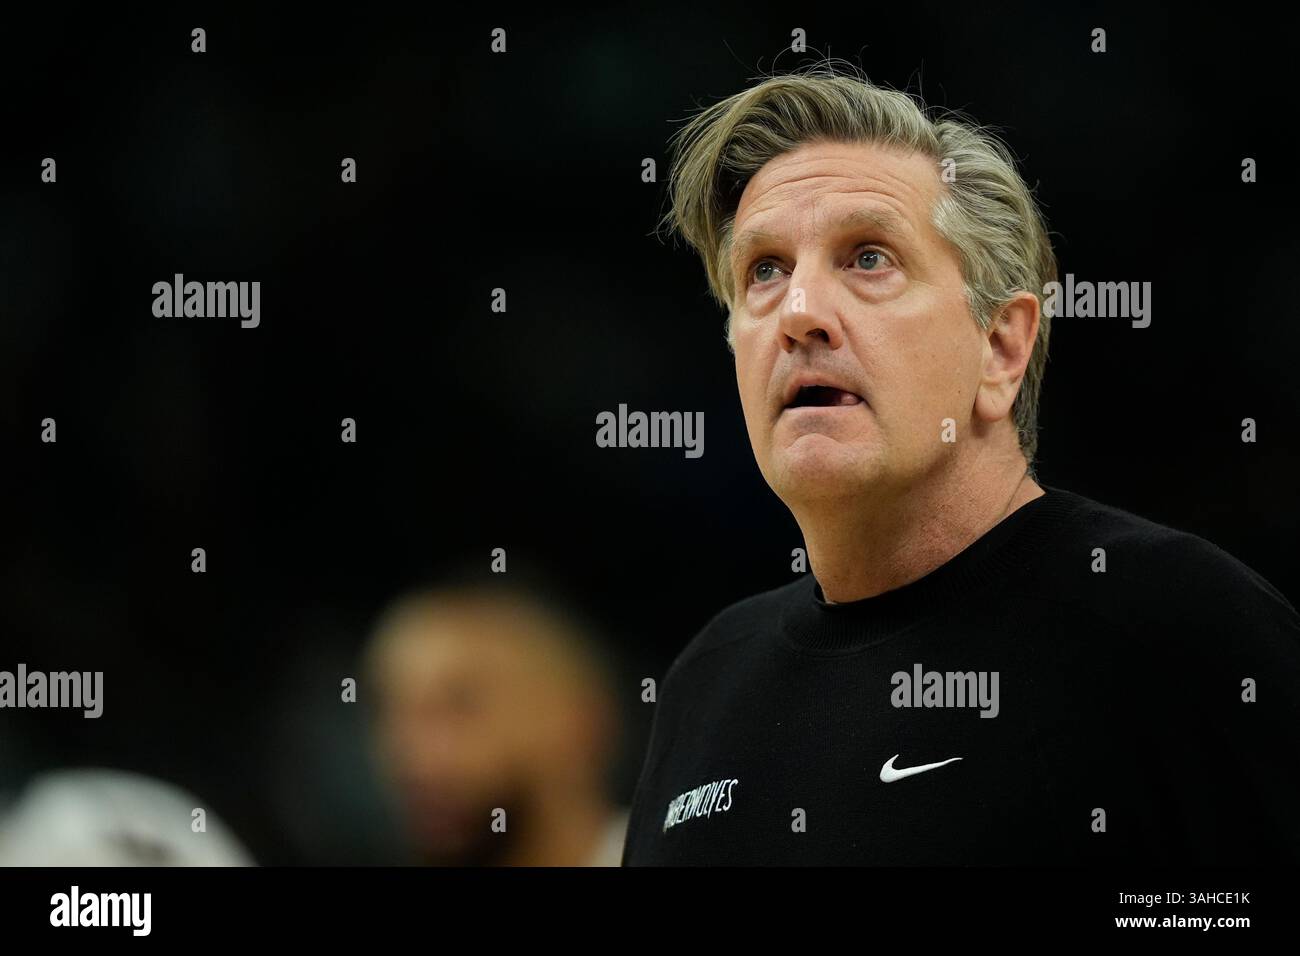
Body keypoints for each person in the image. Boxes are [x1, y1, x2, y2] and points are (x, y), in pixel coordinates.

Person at [621, 63, 1300, 865]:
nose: (800, 312)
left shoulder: (1177, 624)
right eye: (764, 270)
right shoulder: (709, 678)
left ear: (1001, 347)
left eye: (868, 258)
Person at [364, 583, 627, 866]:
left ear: (580, 721)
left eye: (460, 704)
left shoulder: (670, 852)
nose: (409, 754)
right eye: (391, 712)